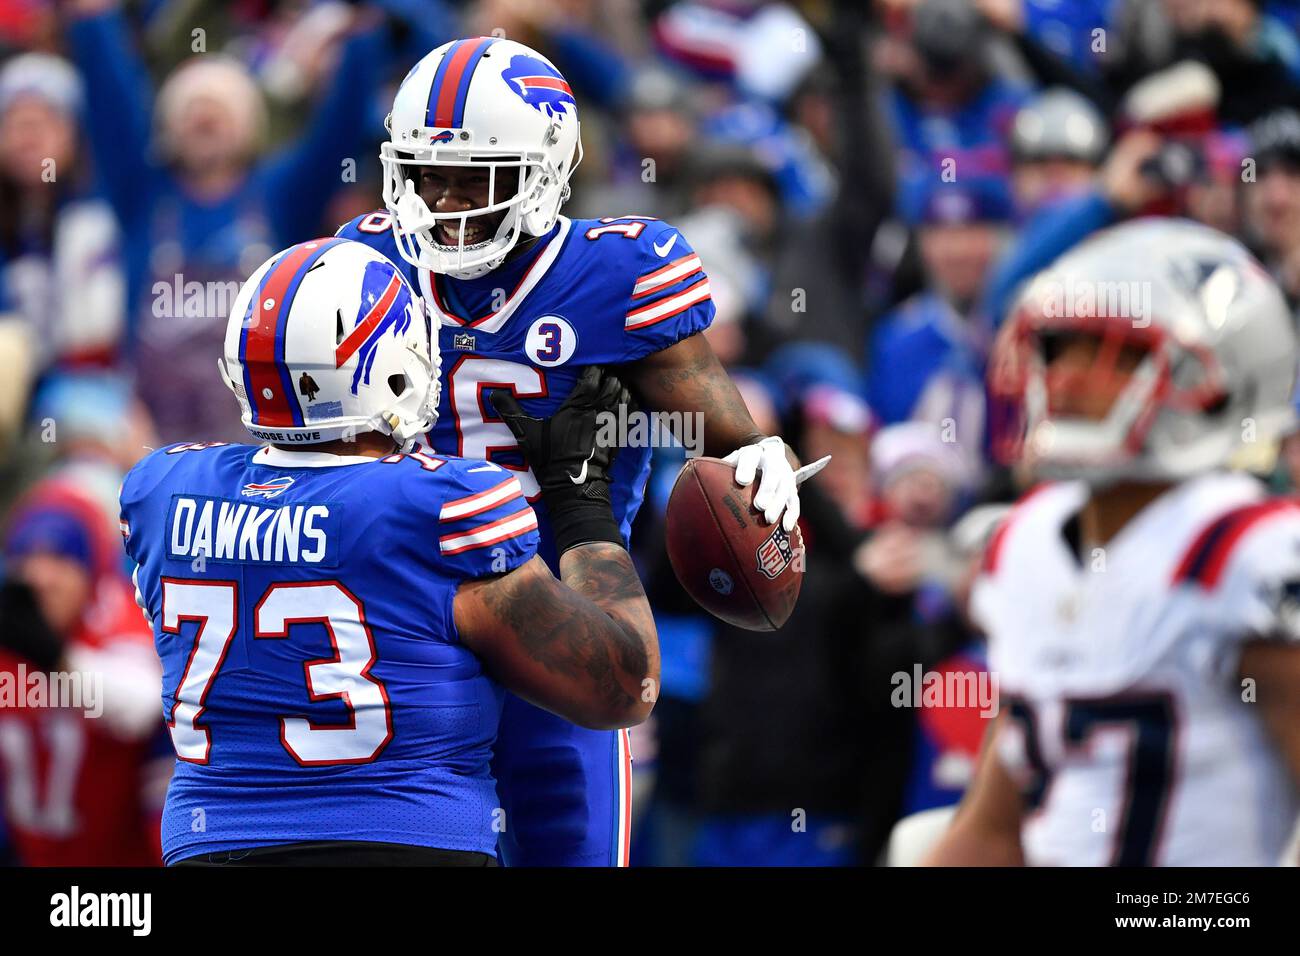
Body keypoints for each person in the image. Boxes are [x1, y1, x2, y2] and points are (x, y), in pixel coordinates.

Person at [335, 36, 827, 867]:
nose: (448, 204)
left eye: (477, 179)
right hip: (401, 633)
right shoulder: (361, 265)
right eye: (429, 176)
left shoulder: (618, 273)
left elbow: (729, 447)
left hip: (560, 626)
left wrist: (762, 462)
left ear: (546, 169)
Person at [119, 237, 659, 866]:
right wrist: (584, 510)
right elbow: (623, 686)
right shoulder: (435, 502)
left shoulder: (162, 491)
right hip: (402, 839)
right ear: (395, 369)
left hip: (209, 847)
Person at [926, 219, 1300, 866]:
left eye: (1118, 355)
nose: (1066, 380)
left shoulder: (1248, 552)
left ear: (1217, 383)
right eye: (1060, 349)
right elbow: (993, 833)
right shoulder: (1029, 541)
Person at [0, 477, 166, 866]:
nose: (40, 577)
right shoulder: (10, 624)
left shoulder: (117, 618)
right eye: (26, 557)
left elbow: (143, 705)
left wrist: (56, 660)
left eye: (61, 558)